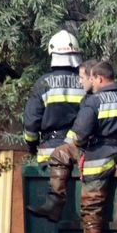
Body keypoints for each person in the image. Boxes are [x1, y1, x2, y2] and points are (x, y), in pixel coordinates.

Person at [28, 61, 117, 233]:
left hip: (98, 159)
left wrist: (81, 144)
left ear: (99, 78)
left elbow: (79, 135)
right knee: (63, 154)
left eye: (88, 78)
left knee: (91, 210)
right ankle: (54, 204)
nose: (85, 81)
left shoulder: (93, 102)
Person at [23, 30, 86, 165]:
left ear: (52, 54)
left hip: (49, 153)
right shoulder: (85, 83)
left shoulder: (43, 83)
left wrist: (32, 146)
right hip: (79, 152)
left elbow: (31, 122)